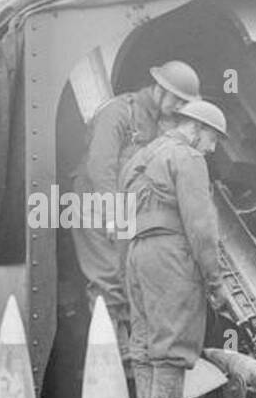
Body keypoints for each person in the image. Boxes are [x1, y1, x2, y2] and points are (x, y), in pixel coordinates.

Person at [121, 98, 235, 398]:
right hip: (172, 254)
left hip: (138, 254)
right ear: (196, 128)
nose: (212, 147)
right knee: (174, 341)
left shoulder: (136, 159)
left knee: (142, 345)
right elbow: (201, 227)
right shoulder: (188, 158)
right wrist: (214, 282)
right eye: (212, 138)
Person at [71, 61, 201, 359]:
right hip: (94, 204)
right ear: (160, 89)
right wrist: (114, 215)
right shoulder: (118, 112)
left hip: (125, 210)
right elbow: (99, 167)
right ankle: (111, 362)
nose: (179, 107)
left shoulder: (157, 123)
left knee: (132, 281)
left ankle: (134, 356)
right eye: (178, 99)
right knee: (107, 282)